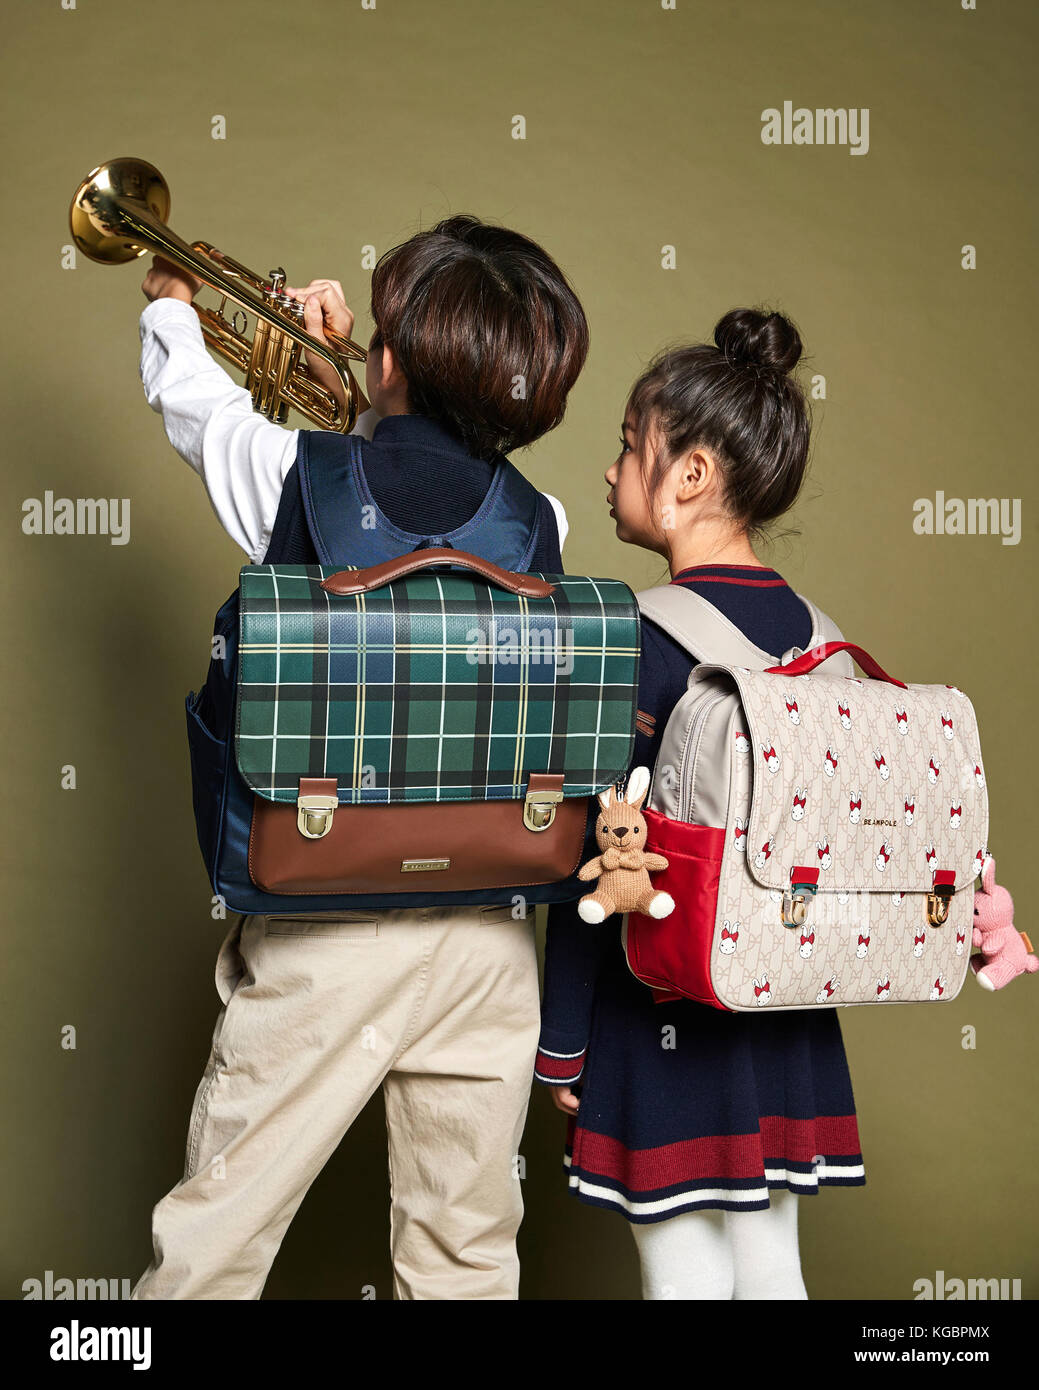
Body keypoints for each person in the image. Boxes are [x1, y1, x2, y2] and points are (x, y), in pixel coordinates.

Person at [130, 215, 588, 1299]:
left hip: (322, 927)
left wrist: (169, 304)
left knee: (217, 1239)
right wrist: (374, 387)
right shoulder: (543, 521)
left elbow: (199, 410)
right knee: (466, 1252)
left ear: (386, 360)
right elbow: (431, 511)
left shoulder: (292, 475)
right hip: (489, 936)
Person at [535, 307, 865, 1301]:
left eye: (628, 449)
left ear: (687, 477)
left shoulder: (632, 637)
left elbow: (596, 861)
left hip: (661, 1007)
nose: (608, 472)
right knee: (772, 1266)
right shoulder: (825, 637)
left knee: (679, 1274)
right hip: (787, 1007)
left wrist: (561, 1043)